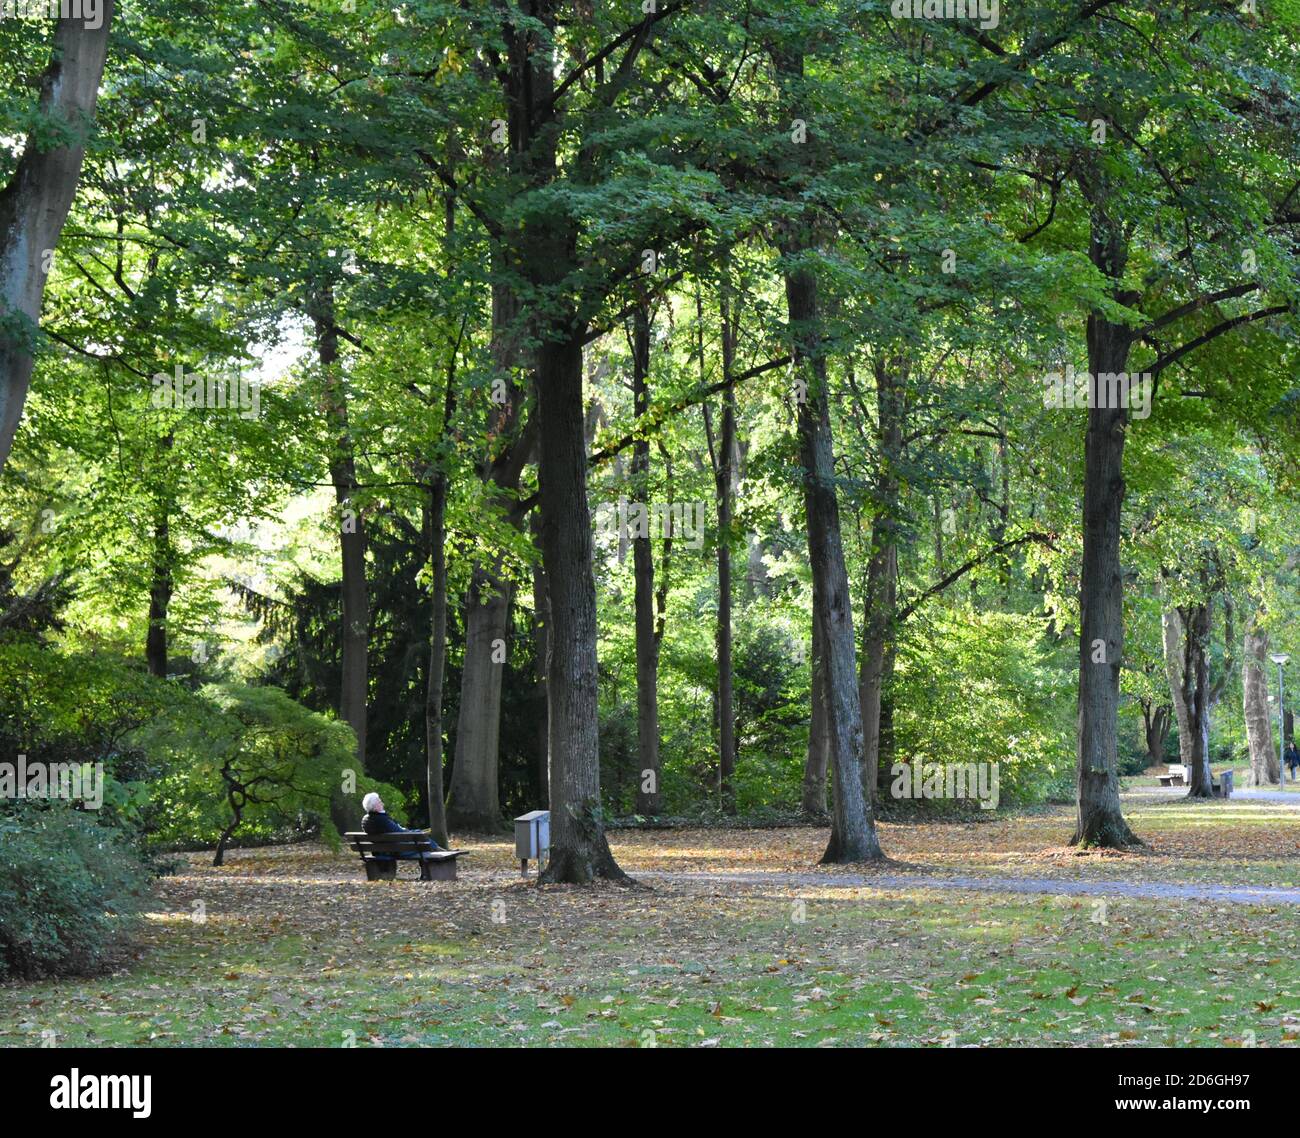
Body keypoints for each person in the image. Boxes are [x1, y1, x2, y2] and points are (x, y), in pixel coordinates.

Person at [361, 792, 442, 857]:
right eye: (379, 802)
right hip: (394, 851)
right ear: (375, 807)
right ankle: (440, 850)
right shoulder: (382, 819)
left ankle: (438, 848)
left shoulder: (365, 820)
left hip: (379, 851)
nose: (382, 804)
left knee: (419, 836)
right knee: (421, 839)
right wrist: (414, 831)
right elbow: (400, 833)